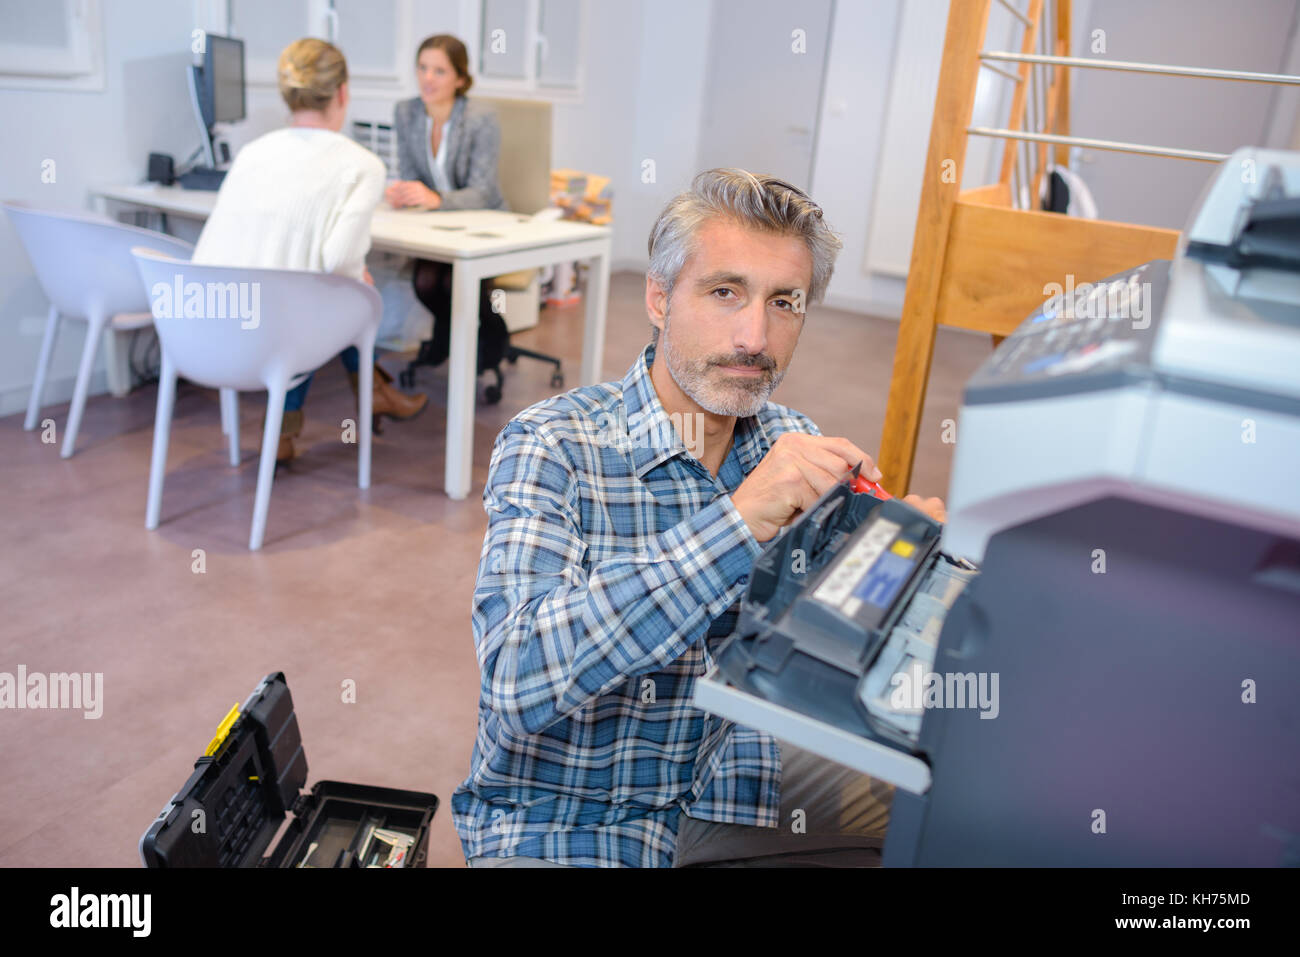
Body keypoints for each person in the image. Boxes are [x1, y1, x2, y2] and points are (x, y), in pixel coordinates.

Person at [452, 168, 947, 868]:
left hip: (733, 780)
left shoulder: (792, 437)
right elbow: (517, 676)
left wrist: (896, 567)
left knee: (963, 815)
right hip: (573, 817)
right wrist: (737, 524)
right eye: (725, 292)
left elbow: (817, 651)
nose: (755, 336)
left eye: (785, 302)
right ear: (659, 298)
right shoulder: (552, 442)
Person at [192, 37, 427, 464]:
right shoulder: (362, 165)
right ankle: (368, 395)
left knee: (318, 291)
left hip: (203, 337)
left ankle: (350, 404)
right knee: (352, 295)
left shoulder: (250, 153)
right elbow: (339, 260)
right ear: (342, 93)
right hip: (271, 343)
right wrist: (358, 280)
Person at [387, 34, 508, 375]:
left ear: (460, 77)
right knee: (425, 283)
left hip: (485, 223)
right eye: (423, 68)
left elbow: (482, 191)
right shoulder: (406, 112)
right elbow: (412, 175)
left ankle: (493, 333)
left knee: (452, 283)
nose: (427, 78)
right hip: (436, 224)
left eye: (439, 71)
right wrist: (405, 192)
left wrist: (435, 199)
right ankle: (450, 339)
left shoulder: (480, 117)